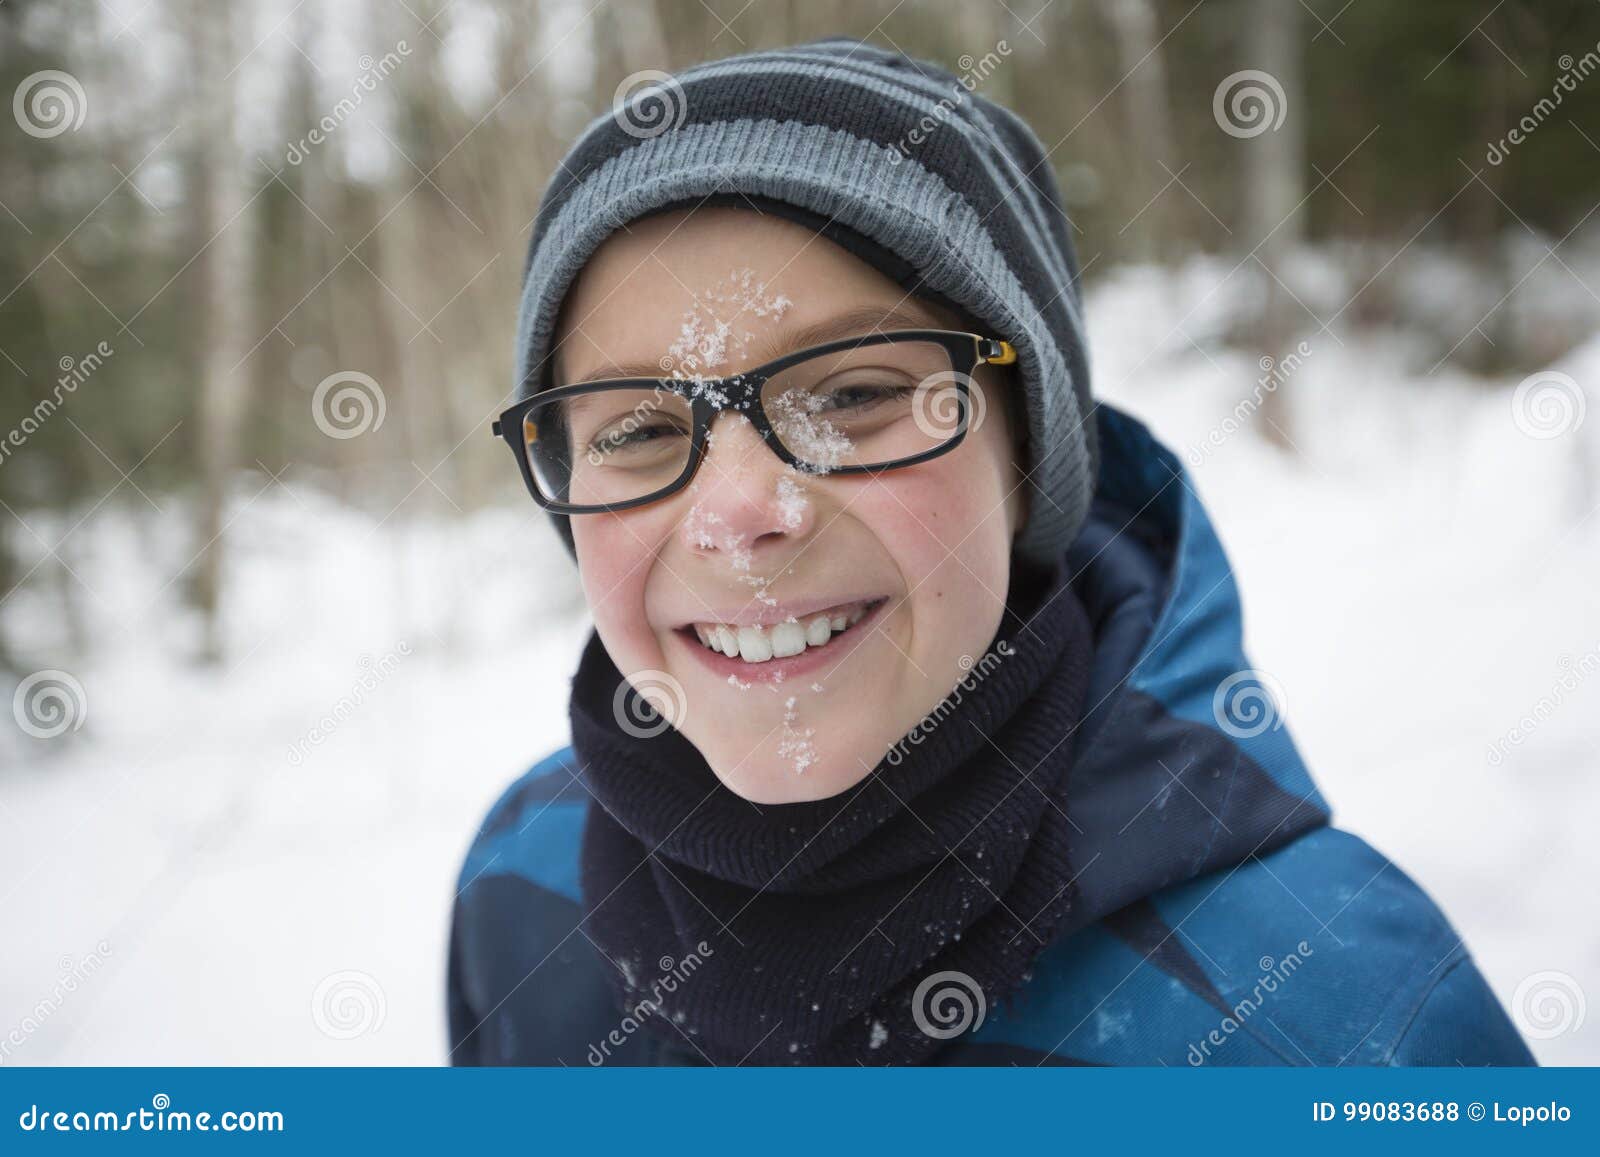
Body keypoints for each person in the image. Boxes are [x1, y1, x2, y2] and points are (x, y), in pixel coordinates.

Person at [447, 38, 1533, 1067]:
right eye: (637, 430)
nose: (738, 513)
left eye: (856, 393)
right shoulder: (520, 885)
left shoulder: (1329, 1005)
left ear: (1029, 448)